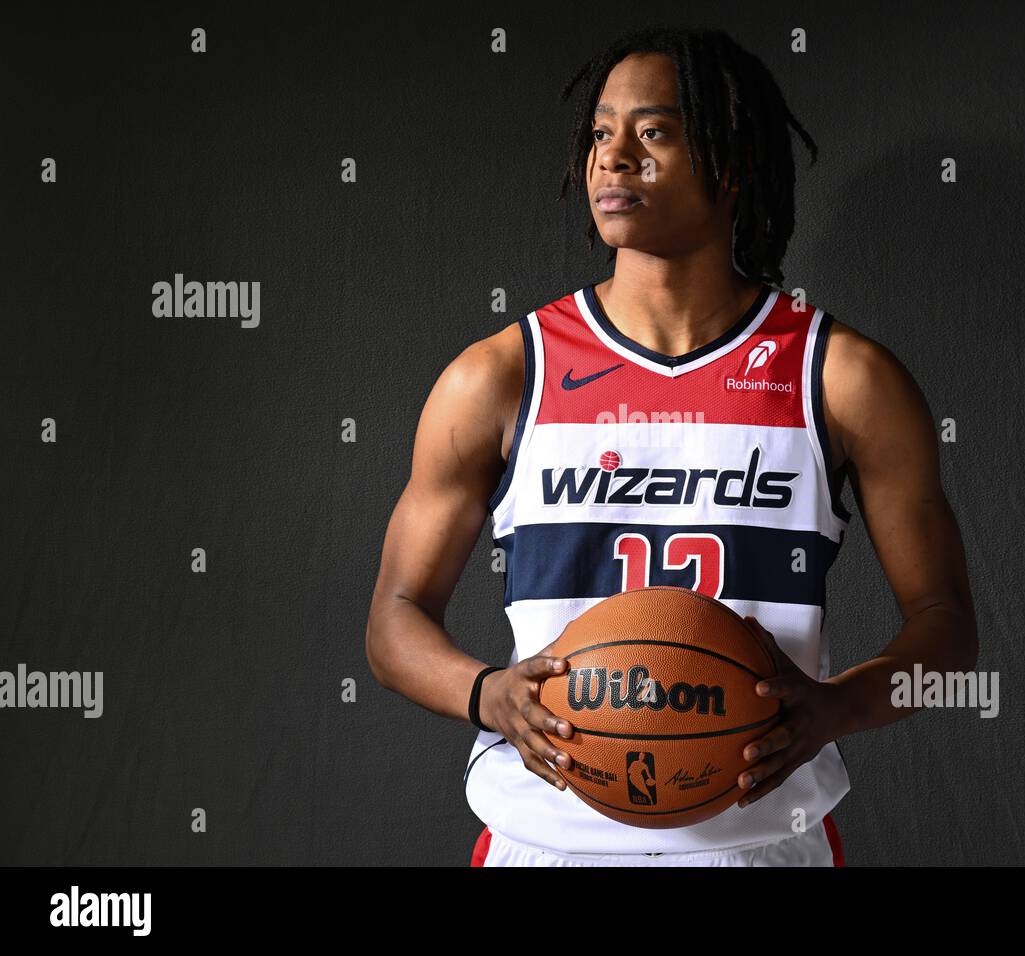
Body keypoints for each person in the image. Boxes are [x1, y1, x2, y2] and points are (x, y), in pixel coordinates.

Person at [364, 26, 977, 867]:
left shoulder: (839, 377)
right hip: (545, 840)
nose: (612, 159)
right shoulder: (502, 374)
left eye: (652, 132)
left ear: (733, 162)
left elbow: (946, 633)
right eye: (600, 133)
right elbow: (392, 620)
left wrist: (834, 707)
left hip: (760, 838)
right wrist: (487, 696)